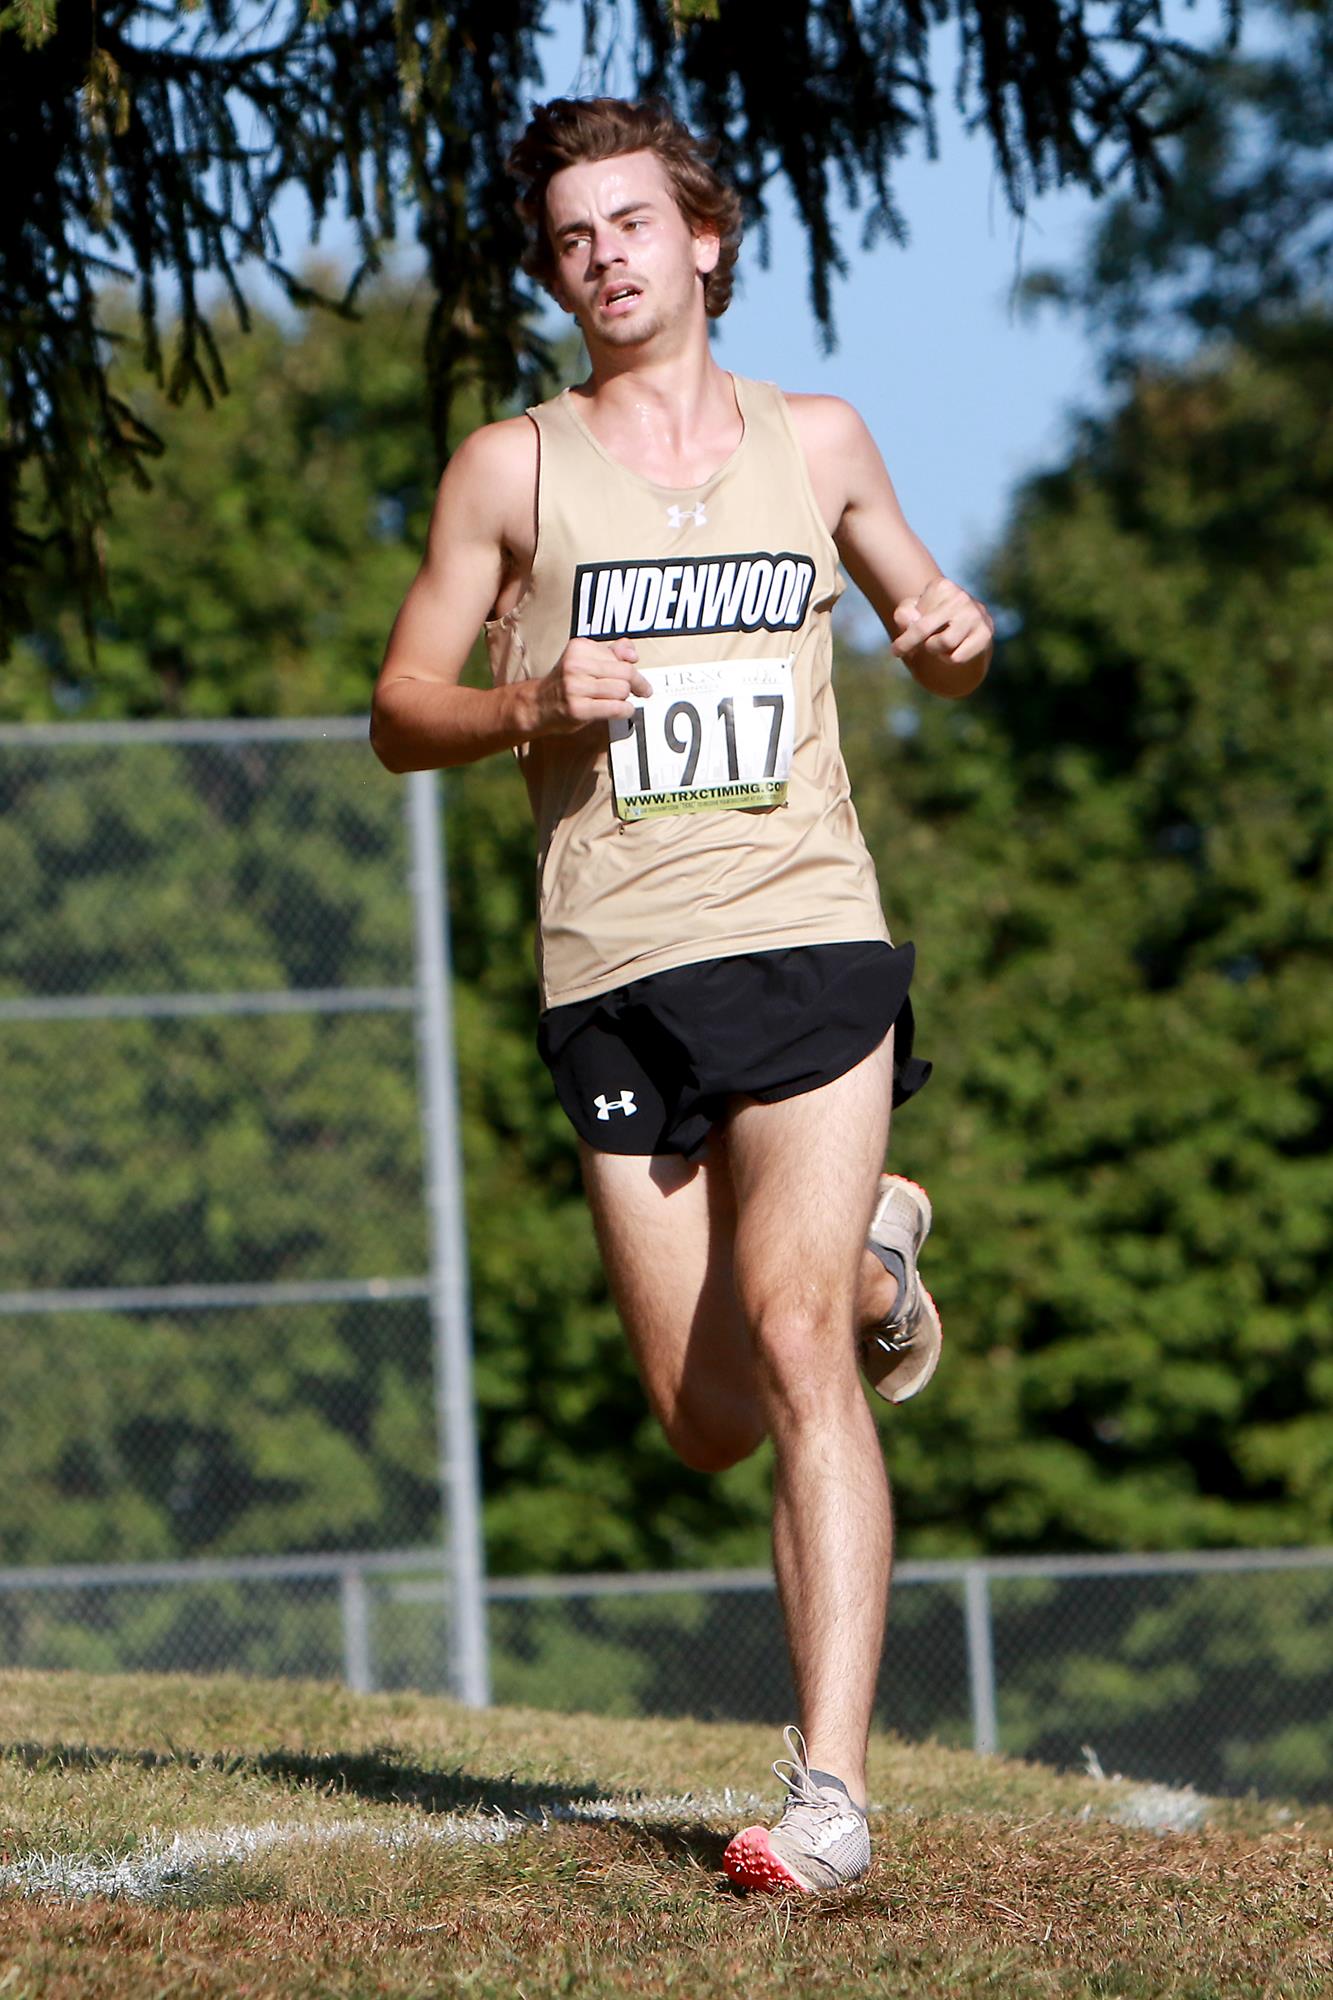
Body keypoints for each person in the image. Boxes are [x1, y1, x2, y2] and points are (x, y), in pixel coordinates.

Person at [371, 94, 993, 1895]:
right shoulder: (512, 469)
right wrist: (520, 710)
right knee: (703, 1414)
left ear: (703, 238)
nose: (607, 258)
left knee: (798, 1349)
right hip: (617, 973)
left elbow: (931, 625)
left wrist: (954, 641)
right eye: (573, 239)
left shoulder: (819, 438)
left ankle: (830, 1797)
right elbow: (400, 704)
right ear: (553, 272)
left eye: (634, 223)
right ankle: (878, 1245)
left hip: (806, 938)